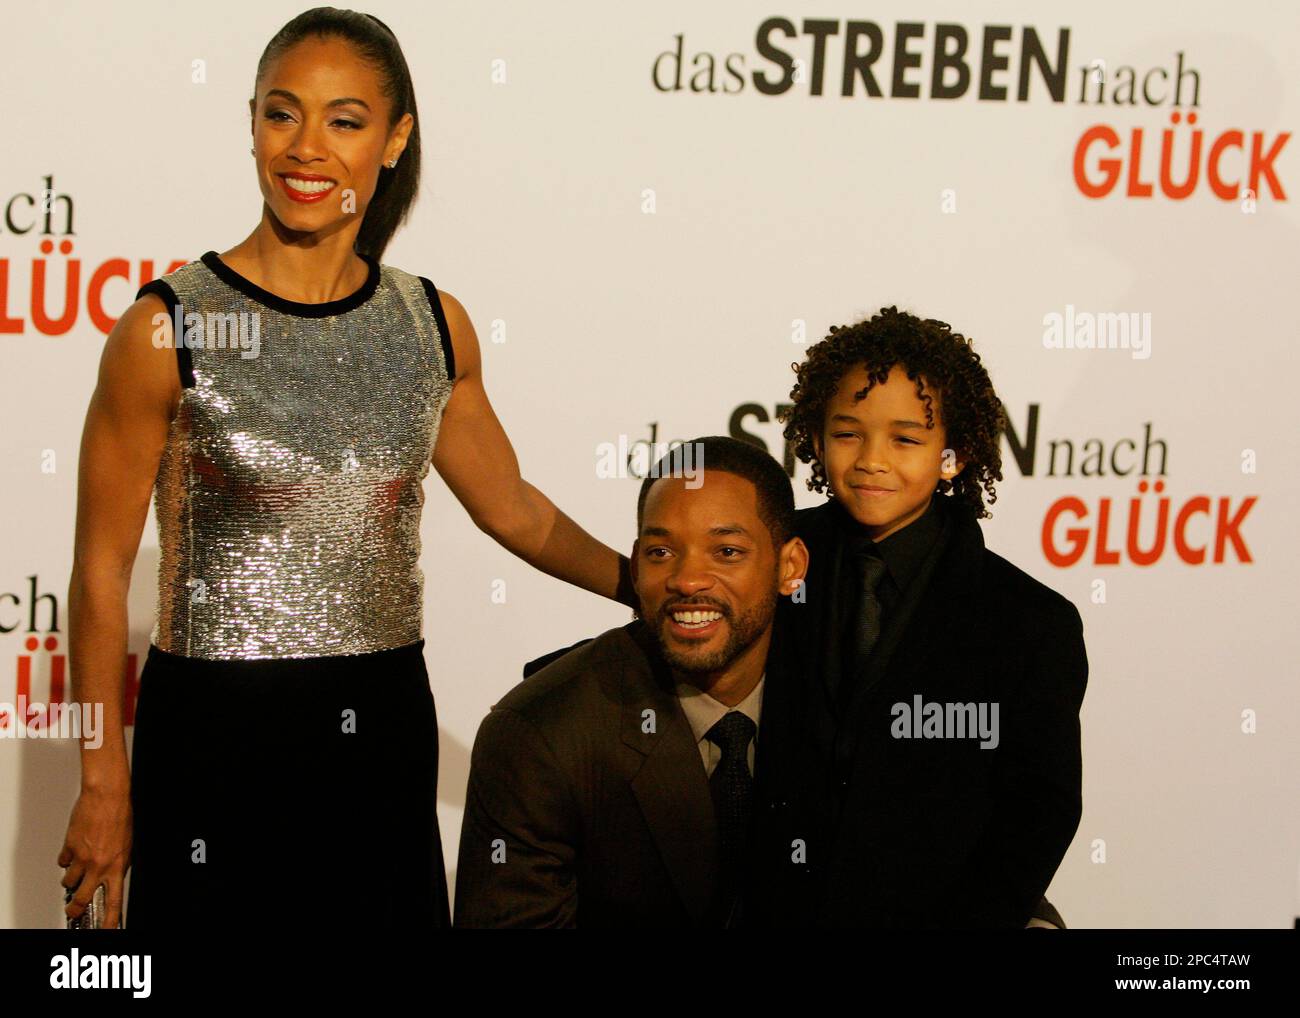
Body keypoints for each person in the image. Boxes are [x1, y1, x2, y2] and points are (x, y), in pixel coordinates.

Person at [57, 8, 634, 930]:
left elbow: (514, 509)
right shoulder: (168, 327)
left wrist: (645, 585)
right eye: (282, 114)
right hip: (211, 737)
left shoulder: (430, 326)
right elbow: (97, 578)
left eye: (345, 120)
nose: (306, 148)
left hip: (378, 731)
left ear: (395, 139)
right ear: (250, 122)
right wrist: (100, 781)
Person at [747, 306, 1088, 928]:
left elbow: (1039, 811)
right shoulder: (770, 561)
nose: (873, 459)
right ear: (816, 440)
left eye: (906, 439)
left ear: (952, 455)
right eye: (849, 433)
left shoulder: (1030, 621)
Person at [454, 438, 808, 927]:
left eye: (726, 551)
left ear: (790, 567)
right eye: (662, 552)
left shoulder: (841, 702)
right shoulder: (540, 737)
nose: (688, 580)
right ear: (638, 563)